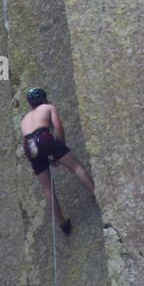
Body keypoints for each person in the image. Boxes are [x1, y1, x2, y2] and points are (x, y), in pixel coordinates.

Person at [21, 87, 94, 235]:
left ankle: (62, 223)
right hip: (44, 138)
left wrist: (52, 155)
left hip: (30, 147)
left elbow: (27, 140)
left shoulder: (24, 120)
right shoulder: (49, 107)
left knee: (47, 188)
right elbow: (58, 128)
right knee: (76, 167)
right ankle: (96, 192)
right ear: (44, 98)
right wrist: (60, 147)